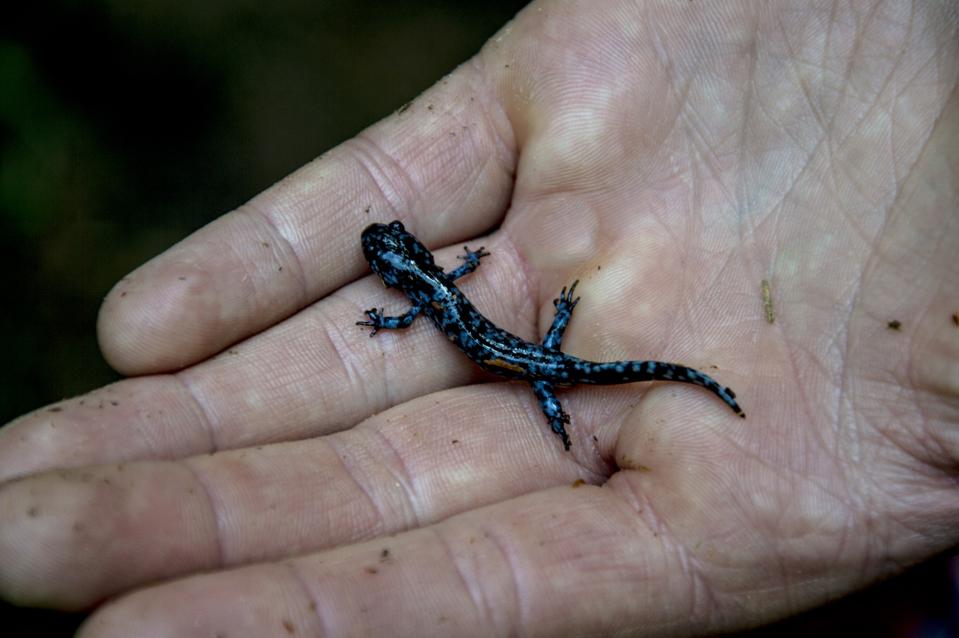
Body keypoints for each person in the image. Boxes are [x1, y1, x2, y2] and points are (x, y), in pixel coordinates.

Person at [1, 2, 957, 636]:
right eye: (393, 260)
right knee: (551, 366)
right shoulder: (436, 285)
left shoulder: (423, 297)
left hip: (532, 361)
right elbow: (442, 292)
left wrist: (438, 335)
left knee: (560, 375)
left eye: (391, 259)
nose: (390, 266)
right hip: (527, 354)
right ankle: (632, 383)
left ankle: (639, 388)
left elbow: (424, 312)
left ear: (399, 266)